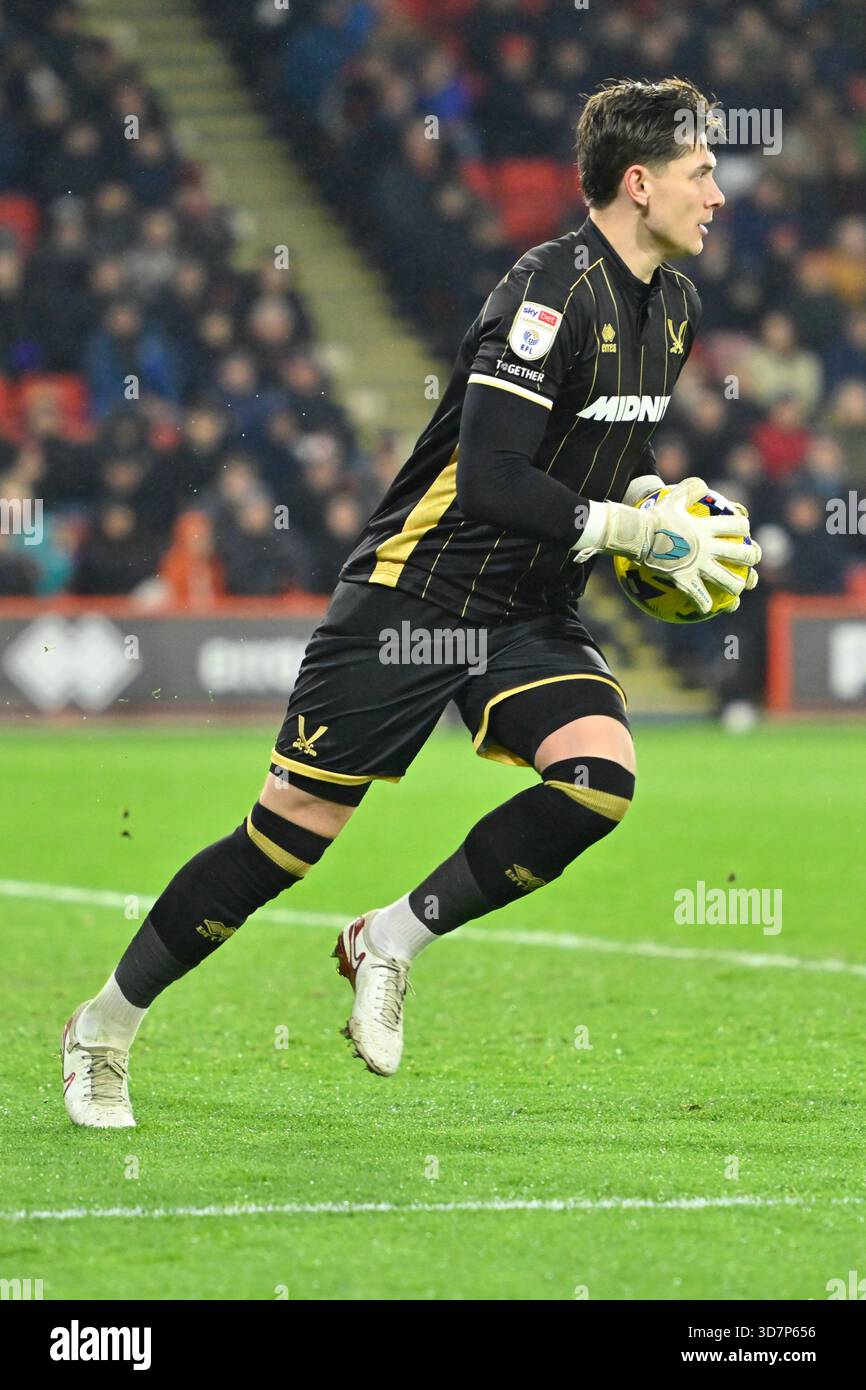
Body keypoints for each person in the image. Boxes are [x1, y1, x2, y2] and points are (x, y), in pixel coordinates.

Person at [62, 77, 761, 1128]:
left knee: (597, 778)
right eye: (700, 171)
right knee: (285, 836)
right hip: (414, 590)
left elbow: (607, 452)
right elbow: (490, 478)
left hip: (525, 609)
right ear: (637, 181)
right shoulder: (546, 294)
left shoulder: (675, 306)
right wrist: (627, 530)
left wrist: (666, 502)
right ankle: (104, 1026)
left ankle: (388, 938)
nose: (716, 192)